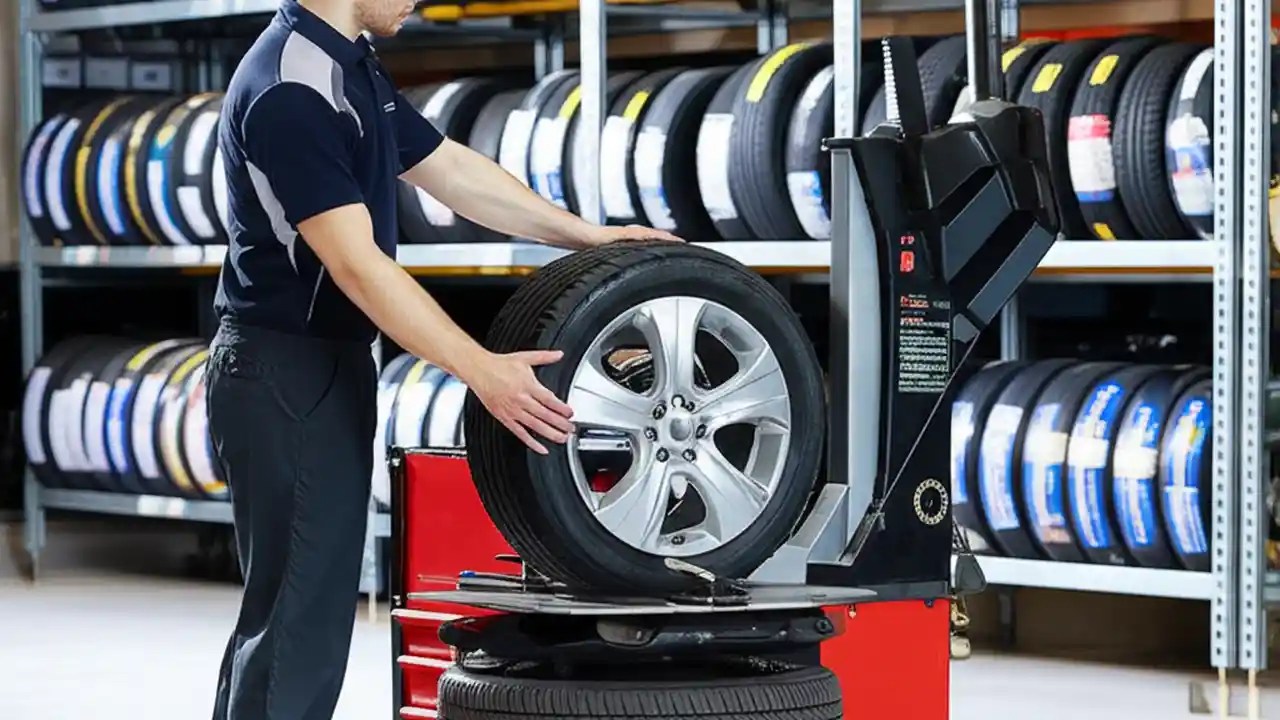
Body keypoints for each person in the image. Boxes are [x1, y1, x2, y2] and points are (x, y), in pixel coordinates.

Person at [205, 1, 680, 717]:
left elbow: (448, 170)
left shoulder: (345, 58)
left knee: (295, 614)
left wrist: (586, 236)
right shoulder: (291, 90)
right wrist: (478, 367)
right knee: (297, 622)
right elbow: (356, 266)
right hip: (284, 372)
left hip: (320, 364)